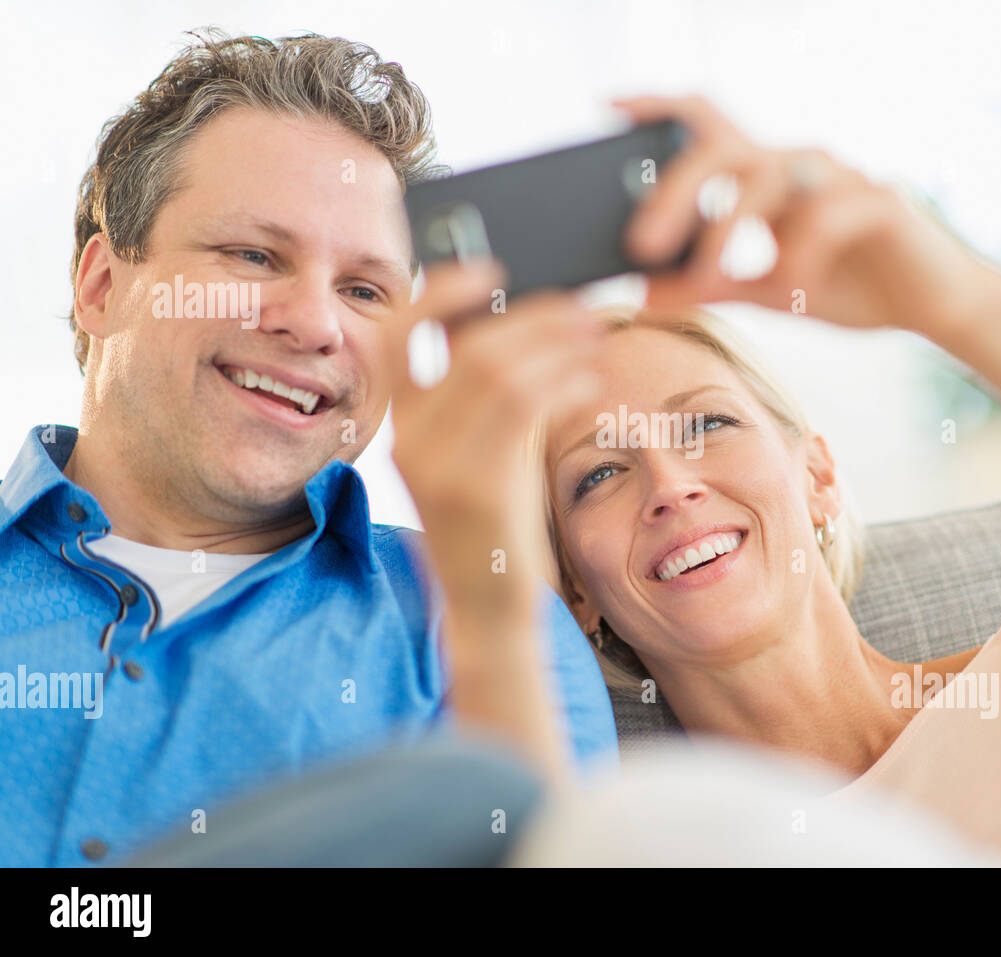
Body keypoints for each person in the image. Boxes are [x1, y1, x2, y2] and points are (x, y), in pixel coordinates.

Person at [498, 97, 1001, 866]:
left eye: (707, 424)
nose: (670, 485)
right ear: (575, 590)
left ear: (817, 474)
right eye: (599, 472)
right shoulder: (647, 839)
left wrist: (960, 307)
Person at [0, 30, 618, 868]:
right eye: (254, 255)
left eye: (364, 290)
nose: (316, 323)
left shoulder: (486, 624)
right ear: (103, 286)